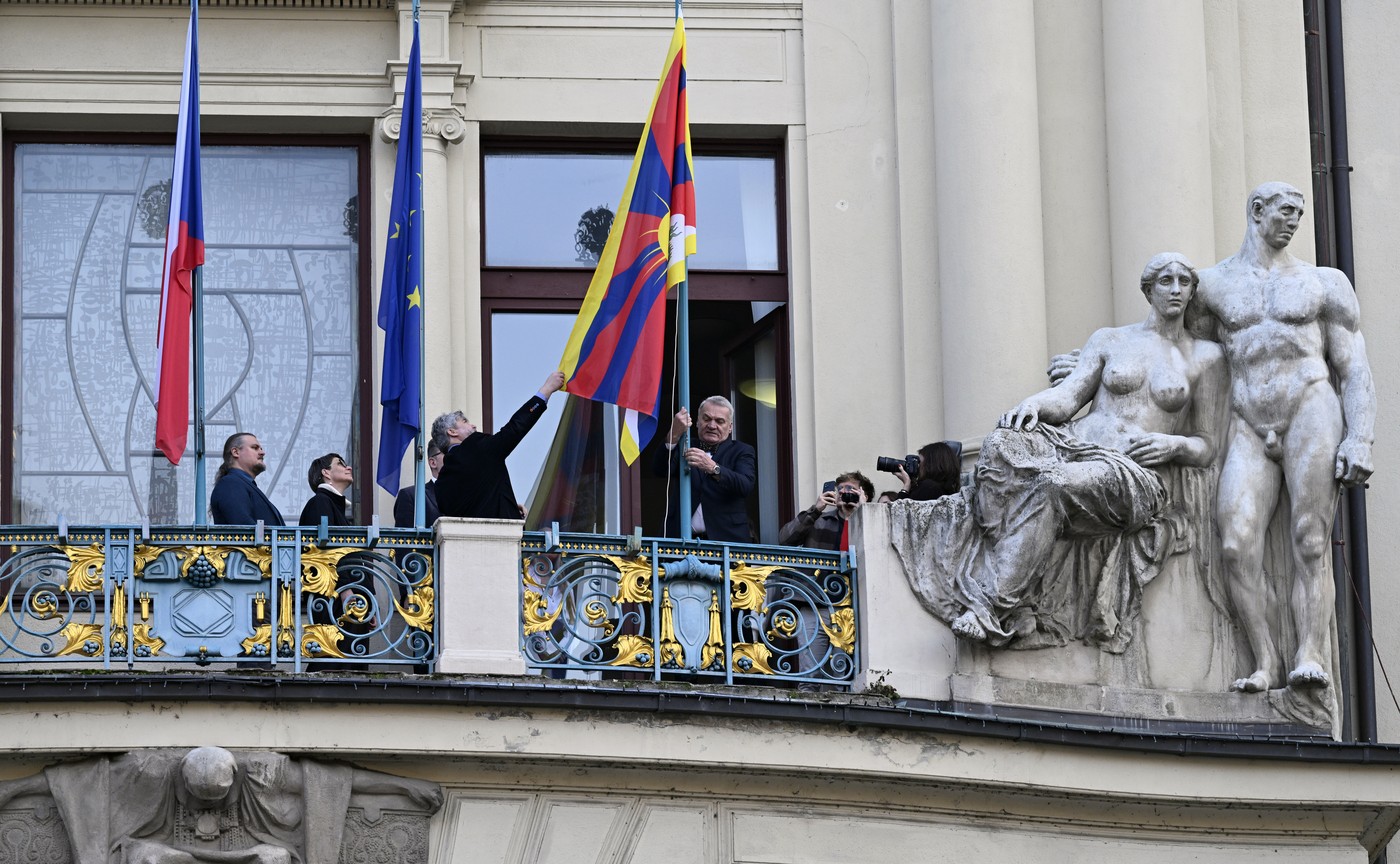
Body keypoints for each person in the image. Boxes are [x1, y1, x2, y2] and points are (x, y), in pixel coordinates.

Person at [893, 253, 1224, 651]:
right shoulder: (1110, 339)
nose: (1175, 289)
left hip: (1132, 473)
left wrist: (1174, 444)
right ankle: (1020, 576)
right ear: (1148, 290)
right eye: (1165, 280)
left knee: (1050, 486)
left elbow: (1208, 444)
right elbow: (1067, 399)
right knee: (1000, 445)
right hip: (1072, 444)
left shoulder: (1206, 357)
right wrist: (1032, 405)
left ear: (1192, 290)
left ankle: (993, 604)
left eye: (1184, 282)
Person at [1188, 182, 1375, 693]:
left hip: (1309, 406)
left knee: (1311, 538)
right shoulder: (1212, 287)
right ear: (1256, 211)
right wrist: (1090, 370)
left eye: (1300, 213)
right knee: (1235, 541)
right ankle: (1265, 661)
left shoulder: (1323, 283)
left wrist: (1360, 437)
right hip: (1249, 419)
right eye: (1285, 212)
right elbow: (1173, 348)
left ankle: (1310, 652)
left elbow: (1353, 366)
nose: (1294, 221)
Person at [0, 746, 442, 864]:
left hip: (245, 854)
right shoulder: (149, 771)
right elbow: (79, 781)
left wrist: (403, 787)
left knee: (272, 858)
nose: (201, 806)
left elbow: (330, 781)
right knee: (149, 858)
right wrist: (12, 790)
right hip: (171, 854)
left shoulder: (261, 772)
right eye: (195, 797)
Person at [434, 370, 565, 519]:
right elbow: (514, 429)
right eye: (465, 421)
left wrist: (506, 505)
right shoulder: (476, 447)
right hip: (502, 541)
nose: (474, 426)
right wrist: (546, 390)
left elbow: (474, 504)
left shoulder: (441, 483)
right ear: (452, 432)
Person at [652, 396, 757, 542]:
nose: (712, 425)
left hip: (726, 543)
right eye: (706, 419)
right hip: (680, 541)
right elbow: (659, 469)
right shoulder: (685, 444)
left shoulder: (742, 450)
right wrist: (674, 435)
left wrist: (713, 467)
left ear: (730, 426)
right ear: (697, 422)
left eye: (720, 421)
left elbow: (745, 485)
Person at [779, 471, 873, 550]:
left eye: (849, 488)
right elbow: (784, 540)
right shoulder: (819, 520)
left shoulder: (872, 524)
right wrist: (815, 511)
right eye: (840, 488)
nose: (841, 491)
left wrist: (863, 511)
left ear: (863, 496)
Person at [209, 432, 285, 526]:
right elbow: (243, 530)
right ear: (236, 452)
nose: (262, 452)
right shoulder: (231, 484)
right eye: (254, 447)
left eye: (260, 448)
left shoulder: (237, 484)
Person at [394, 440, 443, 528]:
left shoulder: (470, 496)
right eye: (449, 452)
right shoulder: (411, 496)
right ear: (433, 462)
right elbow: (405, 539)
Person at [299, 452, 354, 527]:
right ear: (326, 473)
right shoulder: (321, 501)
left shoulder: (331, 504)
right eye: (340, 464)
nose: (349, 468)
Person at [893, 442, 961, 501]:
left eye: (919, 462)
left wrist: (906, 486)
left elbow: (898, 512)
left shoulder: (928, 487)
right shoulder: (945, 489)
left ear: (930, 464)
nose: (918, 466)